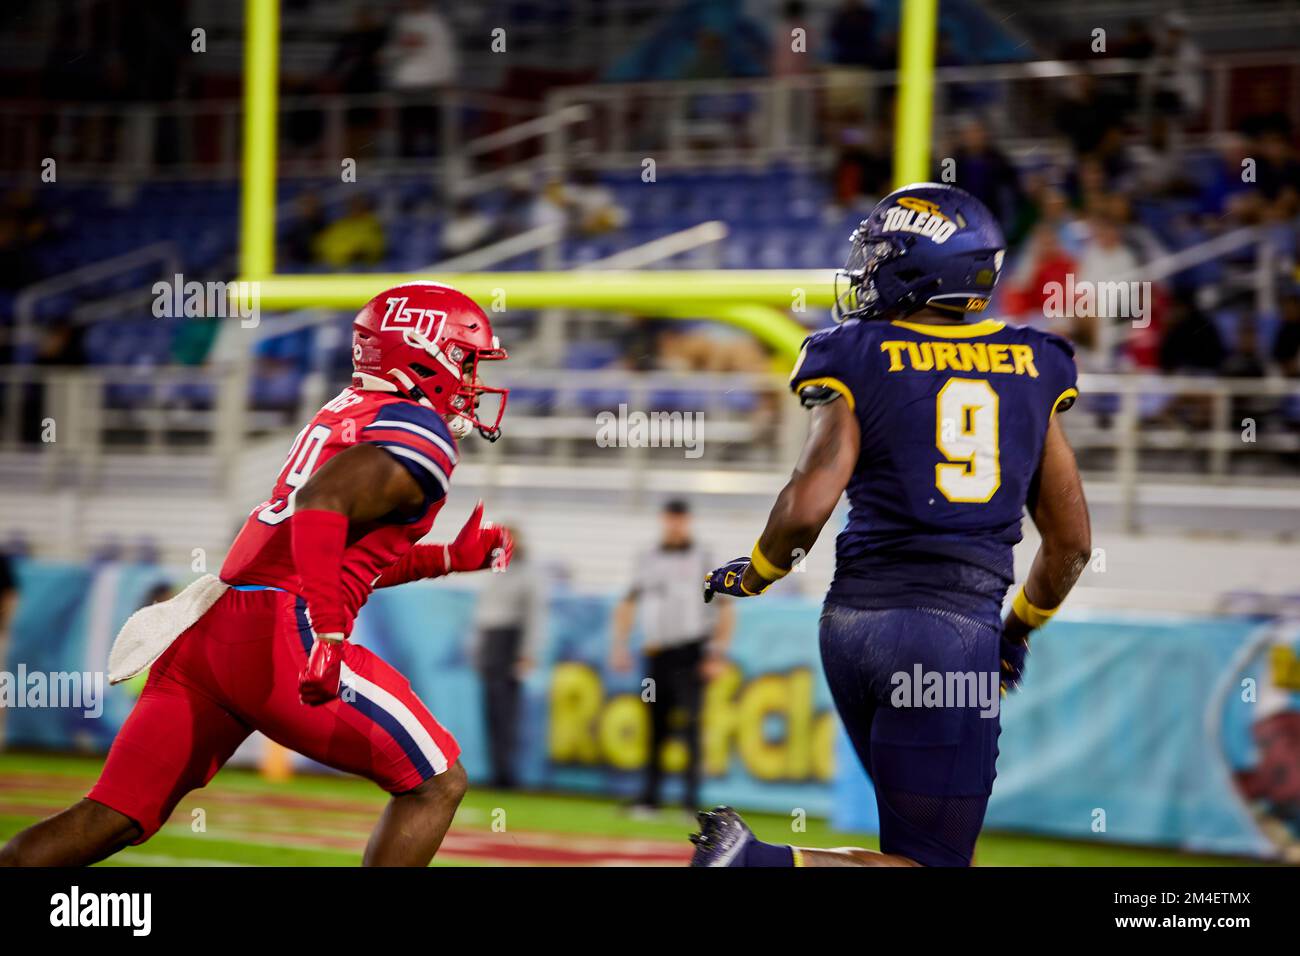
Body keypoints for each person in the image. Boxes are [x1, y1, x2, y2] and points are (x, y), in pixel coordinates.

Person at [0, 283, 513, 867]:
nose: (473, 378)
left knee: (109, 817)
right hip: (279, 639)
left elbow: (336, 552)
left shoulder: (350, 410)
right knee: (436, 783)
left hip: (214, 631)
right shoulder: (417, 431)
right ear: (423, 350)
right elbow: (321, 504)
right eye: (467, 358)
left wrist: (443, 559)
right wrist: (328, 633)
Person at [690, 184, 1091, 866]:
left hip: (852, 628)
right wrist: (1017, 629)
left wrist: (757, 572)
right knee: (931, 863)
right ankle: (754, 862)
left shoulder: (854, 350)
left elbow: (808, 503)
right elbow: (1073, 544)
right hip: (953, 634)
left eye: (880, 255)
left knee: (910, 851)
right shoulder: (1036, 361)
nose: (866, 270)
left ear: (919, 266)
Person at [610, 500, 734, 816]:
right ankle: (650, 797)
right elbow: (628, 602)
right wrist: (620, 645)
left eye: (680, 519)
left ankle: (690, 802)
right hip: (656, 653)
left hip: (691, 653)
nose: (675, 524)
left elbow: (725, 608)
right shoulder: (648, 556)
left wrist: (717, 653)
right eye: (671, 518)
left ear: (687, 521)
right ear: (664, 520)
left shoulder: (705, 558)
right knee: (654, 724)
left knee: (691, 725)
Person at [471, 526, 546, 789]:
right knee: (491, 711)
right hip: (492, 643)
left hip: (509, 642)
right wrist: (479, 649)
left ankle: (507, 774)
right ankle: (496, 771)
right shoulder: (494, 569)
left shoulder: (528, 574)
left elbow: (534, 615)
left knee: (507, 712)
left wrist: (527, 652)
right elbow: (483, 615)